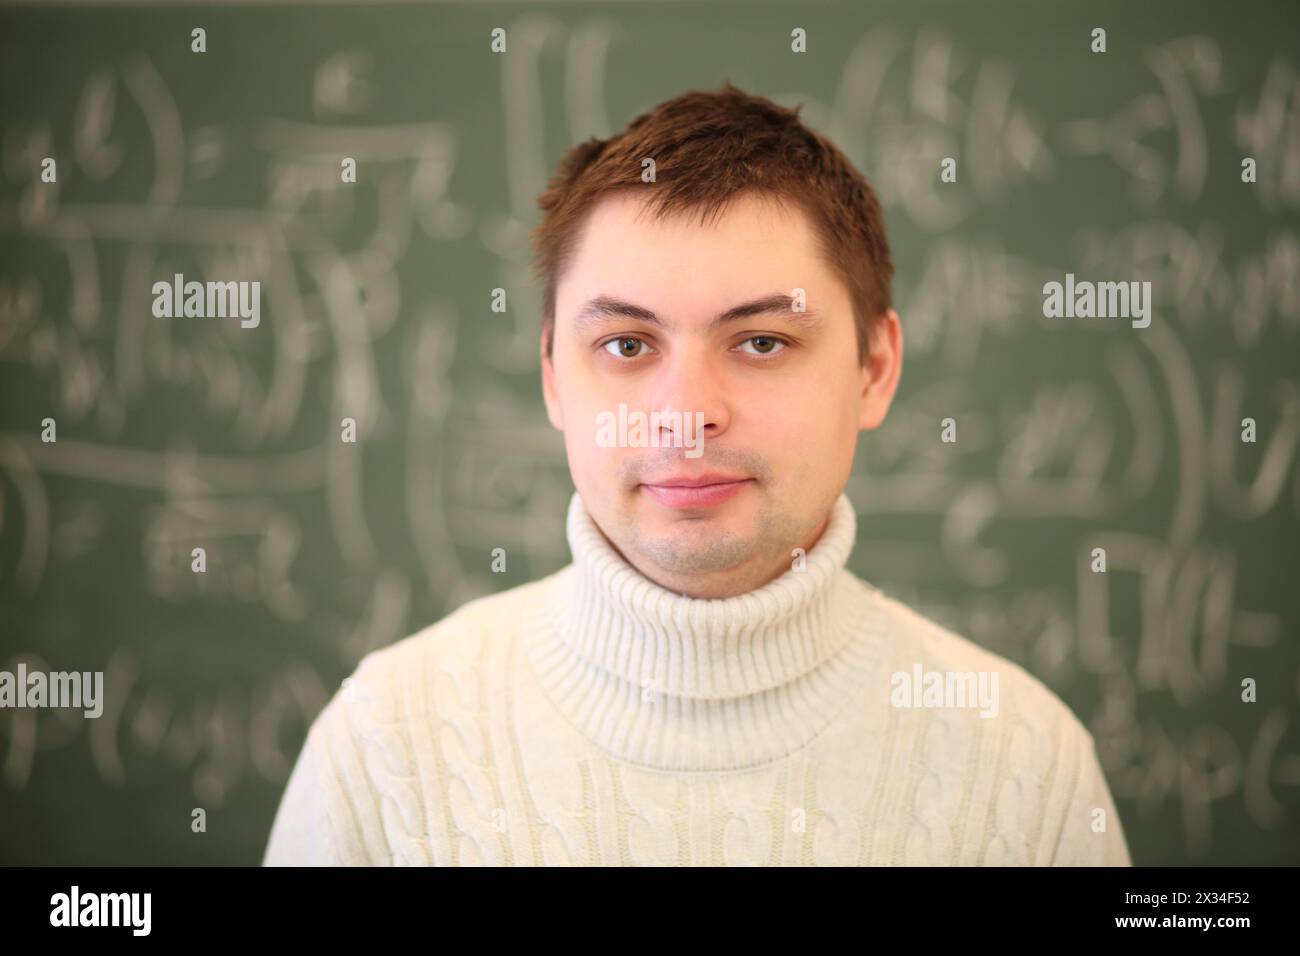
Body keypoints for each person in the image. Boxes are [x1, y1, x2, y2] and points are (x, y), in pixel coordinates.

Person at [263, 80, 1131, 866]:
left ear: (874, 368)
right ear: (554, 377)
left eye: (761, 342)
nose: (686, 412)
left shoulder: (1027, 766)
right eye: (627, 345)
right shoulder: (381, 751)